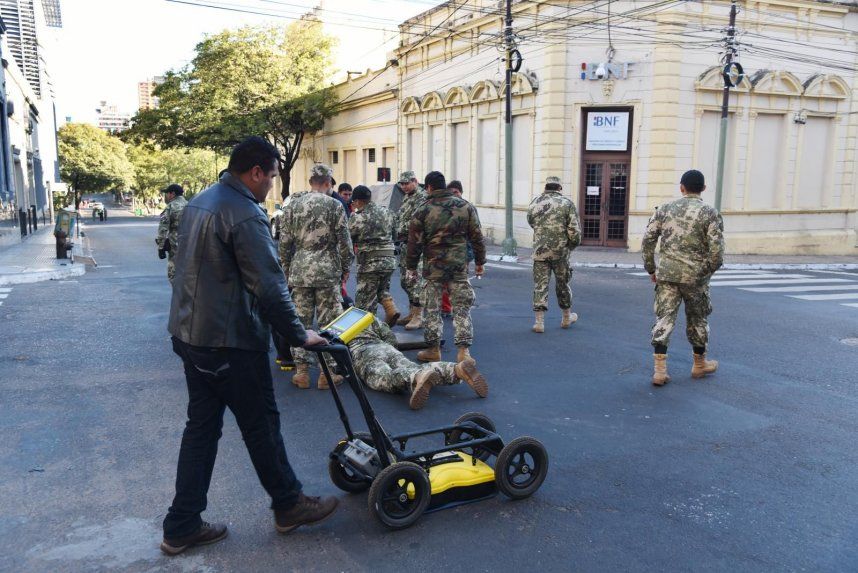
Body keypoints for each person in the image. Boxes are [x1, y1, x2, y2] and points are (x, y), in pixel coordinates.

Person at [162, 137, 337, 556]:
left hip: (191, 335)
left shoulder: (201, 201)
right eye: (272, 176)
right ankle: (289, 504)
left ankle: (181, 524)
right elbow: (270, 286)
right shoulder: (244, 213)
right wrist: (300, 335)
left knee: (201, 429)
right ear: (255, 172)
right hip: (229, 341)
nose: (272, 184)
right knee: (261, 425)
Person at [642, 169, 724, 386]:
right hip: (696, 277)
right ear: (703, 188)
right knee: (698, 320)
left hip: (667, 275)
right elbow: (717, 253)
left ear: (681, 188)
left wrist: (651, 269)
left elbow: (648, 240)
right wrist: (706, 272)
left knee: (664, 319)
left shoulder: (664, 209)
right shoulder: (710, 213)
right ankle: (699, 364)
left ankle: (660, 371)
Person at [279, 164, 354, 390]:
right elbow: (345, 241)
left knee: (300, 322)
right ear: (328, 182)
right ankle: (327, 373)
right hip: (327, 271)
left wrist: (287, 269)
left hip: (301, 270)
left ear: (311, 181)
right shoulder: (334, 205)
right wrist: (346, 267)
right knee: (329, 323)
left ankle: (302, 372)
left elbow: (284, 243)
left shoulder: (294, 205)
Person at [407, 171, 486, 363]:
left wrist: (411, 267)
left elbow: (414, 242)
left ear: (429, 187)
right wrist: (480, 262)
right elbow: (477, 237)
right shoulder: (465, 206)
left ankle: (433, 349)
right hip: (458, 266)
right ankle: (464, 352)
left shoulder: (423, 209)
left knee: (432, 309)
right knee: (462, 308)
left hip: (433, 268)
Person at [348, 318, 488, 410]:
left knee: (385, 377)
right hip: (386, 348)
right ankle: (455, 369)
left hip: (364, 353)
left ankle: (415, 377)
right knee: (412, 366)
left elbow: (336, 353)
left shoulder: (336, 325)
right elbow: (388, 335)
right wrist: (391, 350)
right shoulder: (363, 316)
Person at [526, 176, 582, 333]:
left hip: (540, 251)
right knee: (562, 284)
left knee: (540, 285)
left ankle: (539, 322)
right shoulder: (566, 203)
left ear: (546, 187)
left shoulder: (535, 202)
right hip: (560, 252)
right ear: (559, 188)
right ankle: (566, 318)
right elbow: (574, 231)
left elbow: (531, 221)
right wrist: (570, 246)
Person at [348, 185, 400, 325]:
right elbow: (395, 235)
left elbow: (348, 239)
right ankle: (391, 310)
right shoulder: (387, 212)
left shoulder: (357, 218)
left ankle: (371, 332)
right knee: (381, 289)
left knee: (365, 304)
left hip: (370, 264)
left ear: (358, 201)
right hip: (389, 260)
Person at [394, 170, 427, 329]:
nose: (404, 186)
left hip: (417, 244)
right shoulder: (407, 197)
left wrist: (401, 229)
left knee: (415, 281)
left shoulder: (422, 197)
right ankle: (412, 313)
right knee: (404, 281)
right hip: (405, 243)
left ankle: (419, 316)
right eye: (402, 184)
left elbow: (418, 221)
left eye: (407, 183)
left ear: (415, 181)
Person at [155, 184, 189, 285]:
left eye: (167, 193)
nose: (166, 195)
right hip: (191, 241)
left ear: (172, 194)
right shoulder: (190, 205)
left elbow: (163, 228)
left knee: (173, 272)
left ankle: (178, 292)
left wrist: (161, 247)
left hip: (175, 241)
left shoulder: (171, 206)